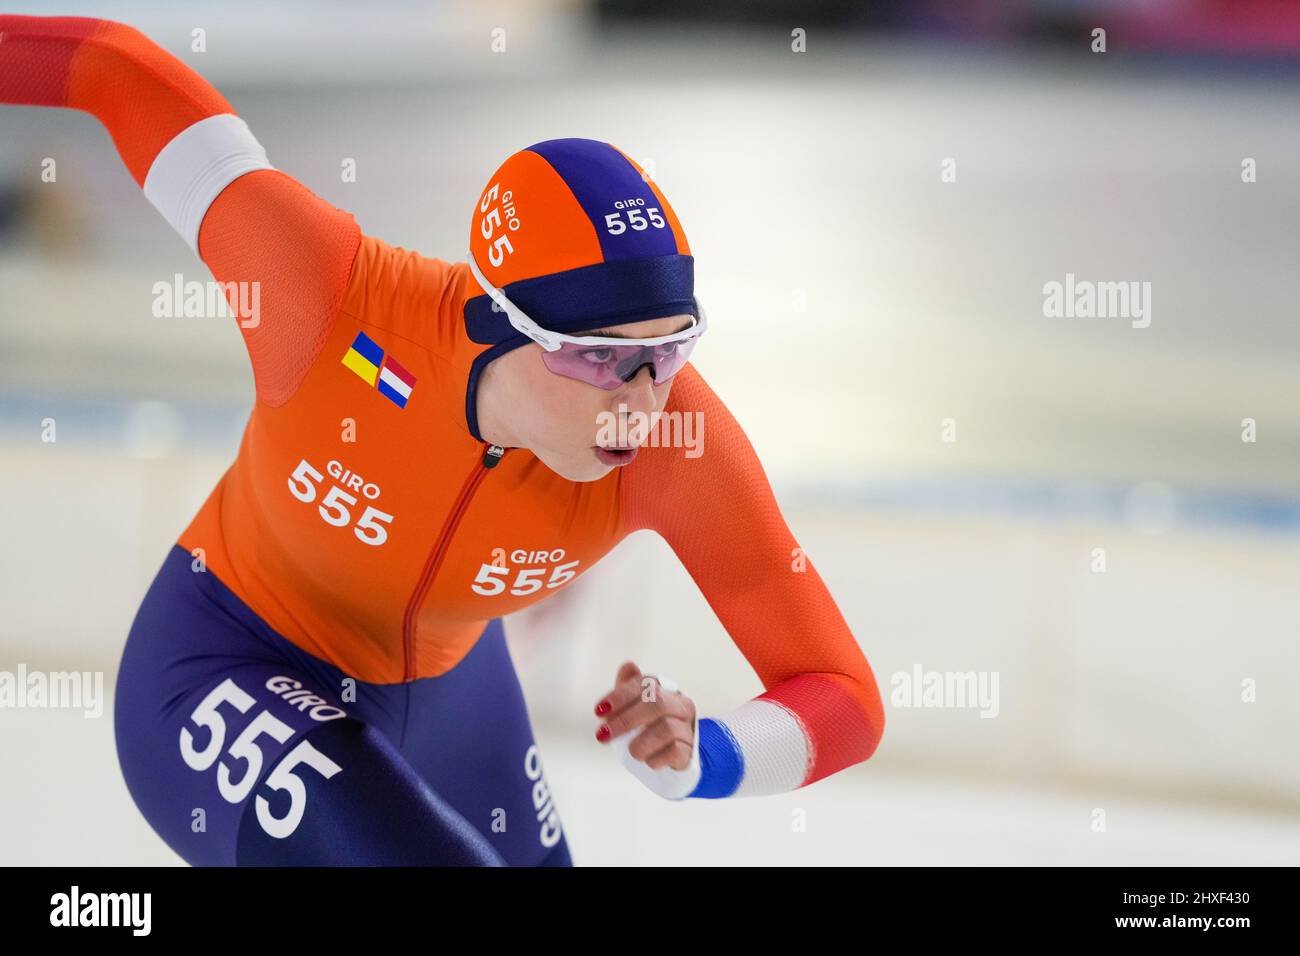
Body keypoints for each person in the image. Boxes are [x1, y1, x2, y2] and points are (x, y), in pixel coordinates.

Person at [0, 14, 887, 866]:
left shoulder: (680, 441)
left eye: (671, 348)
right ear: (503, 324)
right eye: (601, 360)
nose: (643, 401)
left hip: (453, 691)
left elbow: (844, 694)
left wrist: (711, 754)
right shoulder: (326, 300)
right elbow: (115, 71)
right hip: (227, 658)